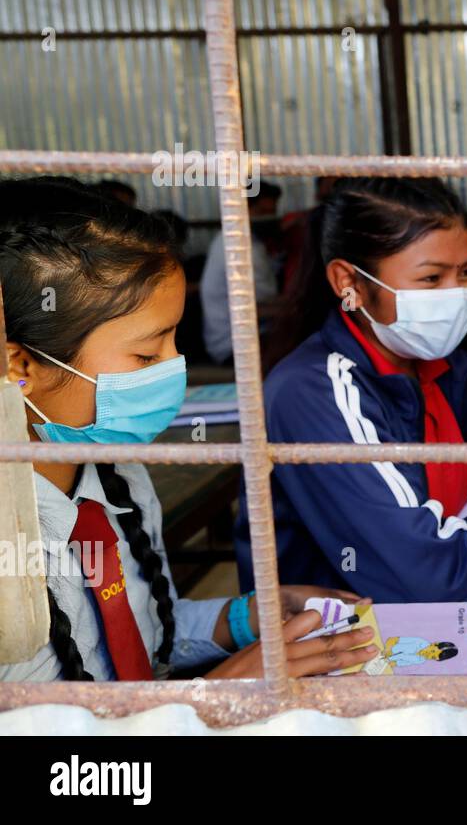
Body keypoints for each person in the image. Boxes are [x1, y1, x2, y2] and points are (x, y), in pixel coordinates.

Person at [1, 190, 373, 681]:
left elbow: (148, 636)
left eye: (174, 340)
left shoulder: (118, 476)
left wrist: (251, 615)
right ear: (20, 367)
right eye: (145, 356)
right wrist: (212, 692)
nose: (175, 367)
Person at [236, 178, 467, 603]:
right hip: (339, 637)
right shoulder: (316, 393)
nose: (456, 295)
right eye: (431, 278)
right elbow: (426, 571)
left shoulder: (444, 368)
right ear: (348, 282)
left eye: (464, 273)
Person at [200, 182, 283, 364]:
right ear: (242, 209)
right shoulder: (238, 246)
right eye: (262, 212)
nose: (269, 218)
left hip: (242, 339)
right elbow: (258, 309)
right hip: (233, 347)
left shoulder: (246, 241)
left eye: (272, 212)